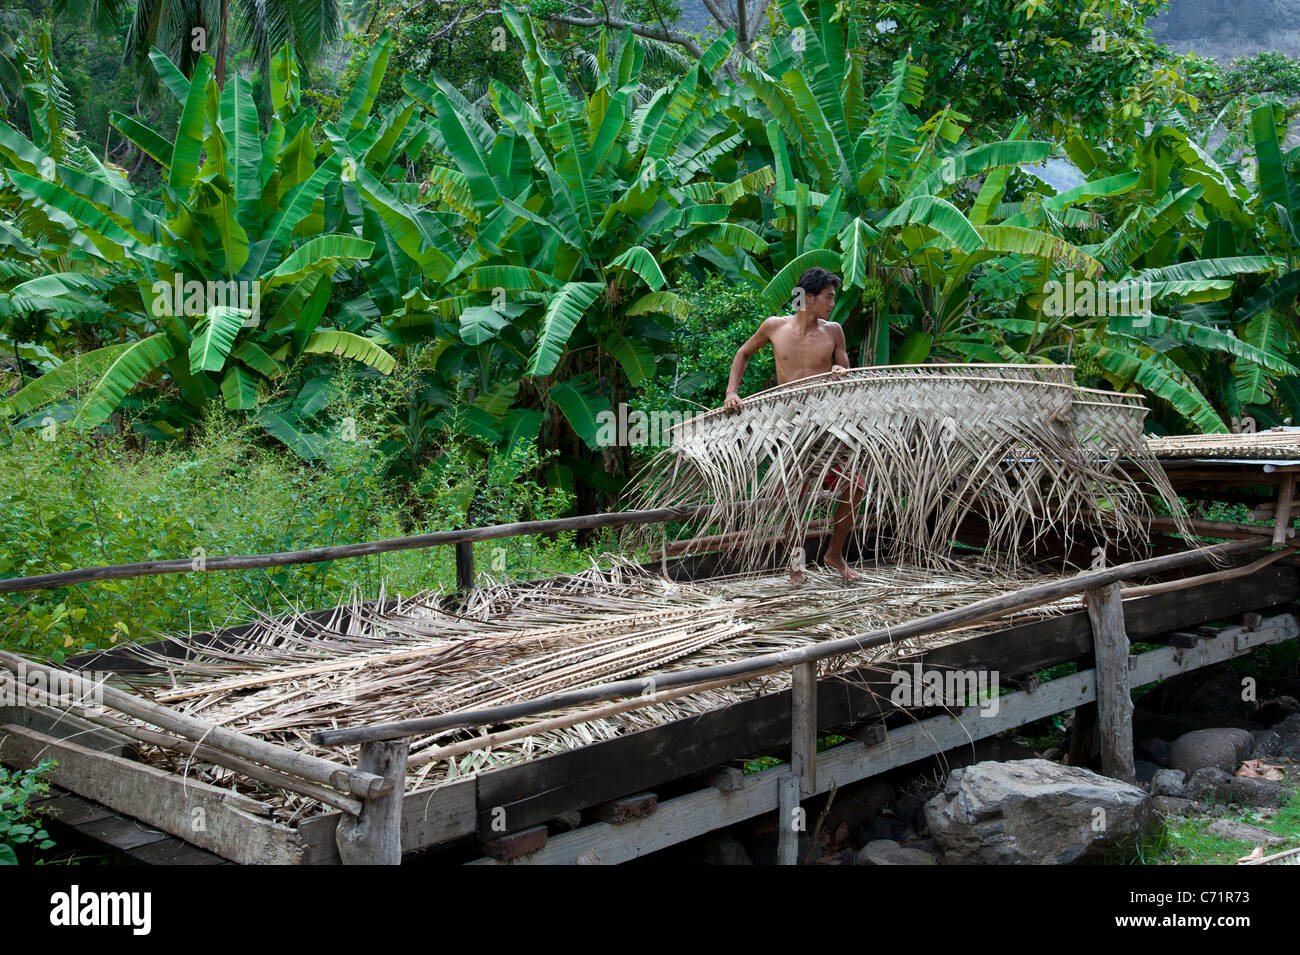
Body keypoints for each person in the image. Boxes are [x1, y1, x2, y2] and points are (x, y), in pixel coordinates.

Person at [723, 267, 864, 582]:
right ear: (809, 297)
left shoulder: (834, 331)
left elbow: (846, 373)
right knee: (794, 499)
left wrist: (842, 374)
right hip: (789, 429)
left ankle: (834, 555)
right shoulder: (775, 327)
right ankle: (796, 564)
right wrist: (732, 391)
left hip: (827, 427)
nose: (831, 304)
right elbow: (743, 353)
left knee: (855, 489)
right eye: (828, 298)